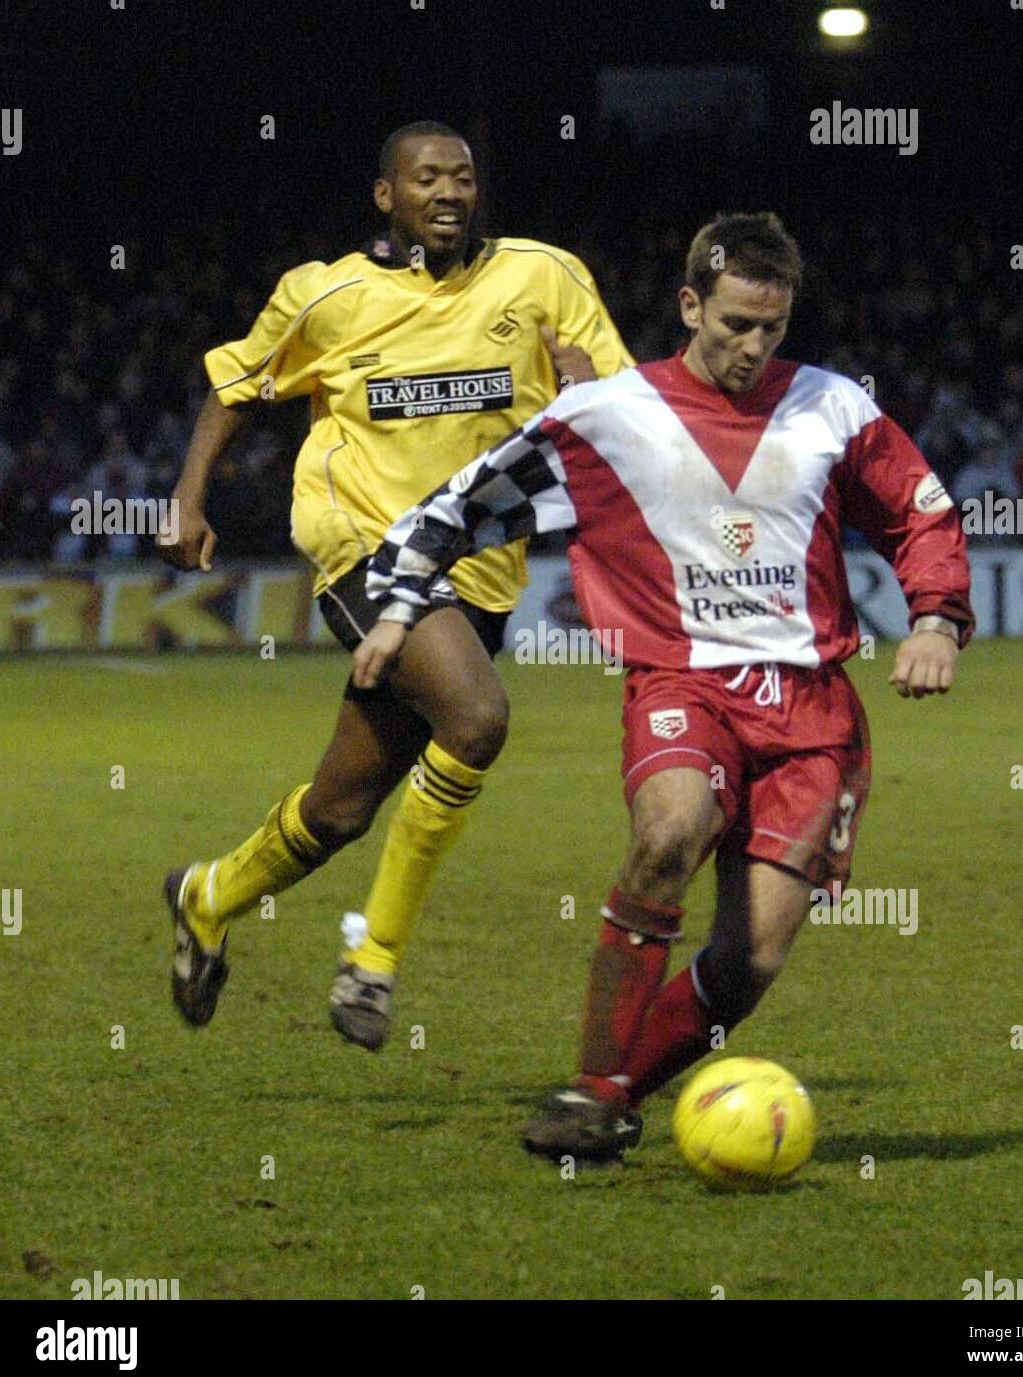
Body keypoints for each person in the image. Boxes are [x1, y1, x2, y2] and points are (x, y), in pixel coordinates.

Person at [350, 211, 975, 1159]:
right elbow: (453, 512)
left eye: (770, 328)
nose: (751, 348)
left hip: (814, 714)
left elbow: (920, 512)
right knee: (669, 835)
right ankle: (592, 1084)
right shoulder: (609, 416)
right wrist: (396, 610)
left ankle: (611, 1096)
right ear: (690, 305)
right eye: (732, 325)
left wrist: (934, 618)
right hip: (684, 686)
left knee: (751, 958)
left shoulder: (834, 407)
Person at [157, 120, 632, 1048]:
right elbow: (238, 383)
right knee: (478, 719)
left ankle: (206, 897)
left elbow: (623, 409)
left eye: (461, 176)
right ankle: (372, 962)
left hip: (481, 566)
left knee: (340, 807)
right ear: (388, 195)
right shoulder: (325, 294)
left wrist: (590, 394)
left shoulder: (546, 277)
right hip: (360, 537)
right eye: (426, 179)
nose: (447, 191)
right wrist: (187, 497)